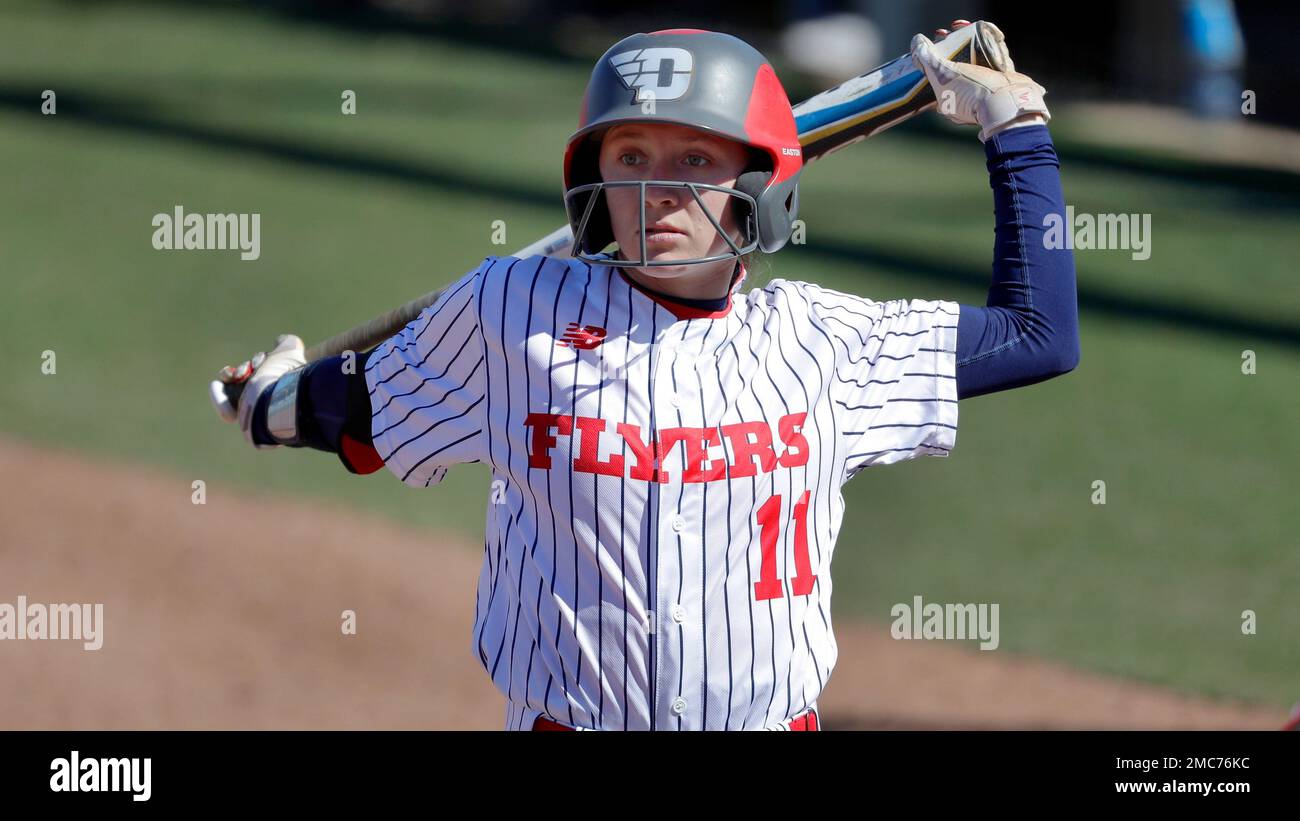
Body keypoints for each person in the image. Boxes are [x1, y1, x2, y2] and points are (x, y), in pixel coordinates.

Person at [215, 22, 1078, 731]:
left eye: (695, 161)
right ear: (594, 178)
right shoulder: (512, 310)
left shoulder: (825, 340)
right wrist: (273, 403)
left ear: (757, 185)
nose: (657, 191)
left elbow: (1038, 336)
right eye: (631, 158)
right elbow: (367, 413)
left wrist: (1020, 136)